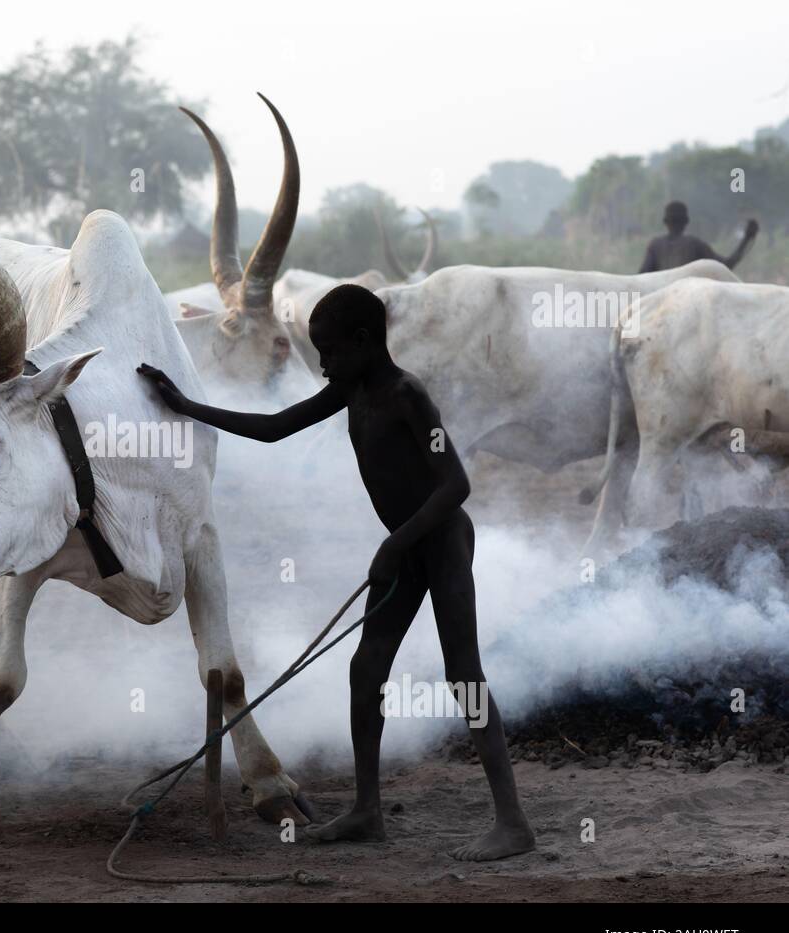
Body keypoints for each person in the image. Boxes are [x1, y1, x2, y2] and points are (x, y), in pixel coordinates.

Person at [137, 284, 535, 860]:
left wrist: (396, 544)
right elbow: (275, 428)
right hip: (403, 548)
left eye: (328, 351)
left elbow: (457, 485)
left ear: (364, 341)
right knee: (366, 667)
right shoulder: (350, 388)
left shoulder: (407, 396)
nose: (321, 364)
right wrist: (186, 407)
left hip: (442, 542)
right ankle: (367, 811)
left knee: (463, 675)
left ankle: (513, 823)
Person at [639, 201, 758, 273]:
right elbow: (726, 266)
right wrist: (747, 238)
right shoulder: (694, 244)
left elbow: (642, 278)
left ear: (665, 221)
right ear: (686, 221)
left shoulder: (655, 246)